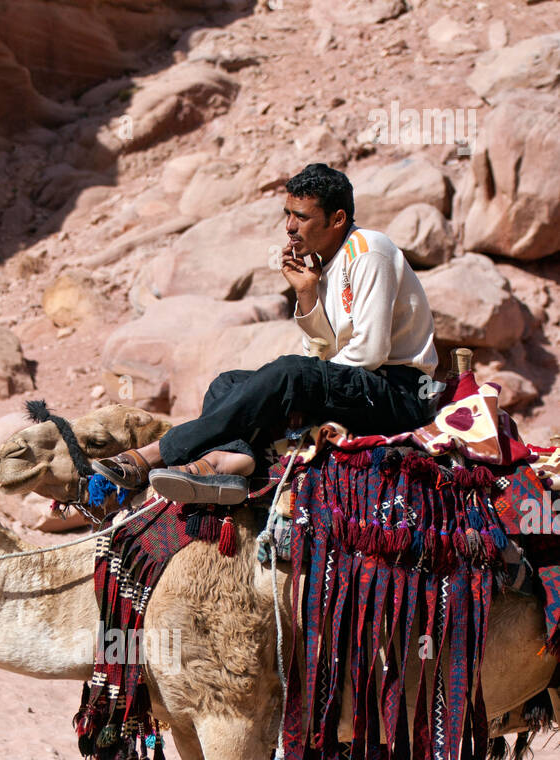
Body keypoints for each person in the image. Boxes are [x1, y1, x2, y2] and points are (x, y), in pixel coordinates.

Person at [91, 162, 439, 505]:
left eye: (301, 217)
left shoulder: (369, 251)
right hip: (359, 384)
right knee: (227, 384)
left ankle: (156, 453)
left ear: (337, 219)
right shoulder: (324, 263)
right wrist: (306, 293)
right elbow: (323, 349)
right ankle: (234, 458)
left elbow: (370, 353)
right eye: (288, 214)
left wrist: (305, 387)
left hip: (400, 393)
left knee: (289, 373)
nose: (289, 227)